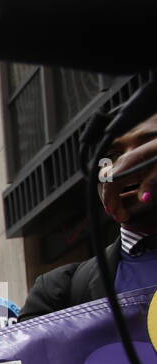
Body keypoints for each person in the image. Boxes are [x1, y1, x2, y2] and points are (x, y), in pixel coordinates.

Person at [20, 110, 157, 319]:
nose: (127, 162)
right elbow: (24, 350)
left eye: (146, 147)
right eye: (111, 157)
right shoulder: (59, 292)